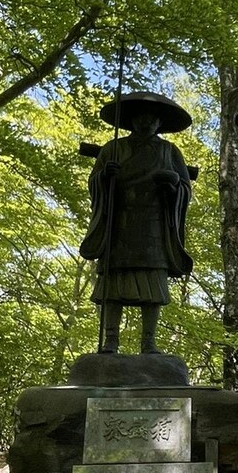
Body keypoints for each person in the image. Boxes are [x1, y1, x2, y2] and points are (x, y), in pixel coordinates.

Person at [79, 91, 193, 354]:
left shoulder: (169, 151)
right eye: (140, 116)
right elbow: (94, 183)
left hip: (153, 226)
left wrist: (175, 184)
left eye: (152, 117)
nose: (146, 121)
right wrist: (104, 178)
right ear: (130, 120)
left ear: (159, 122)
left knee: (153, 285)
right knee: (112, 284)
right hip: (118, 224)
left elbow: (185, 187)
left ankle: (149, 341)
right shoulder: (113, 148)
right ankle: (110, 339)